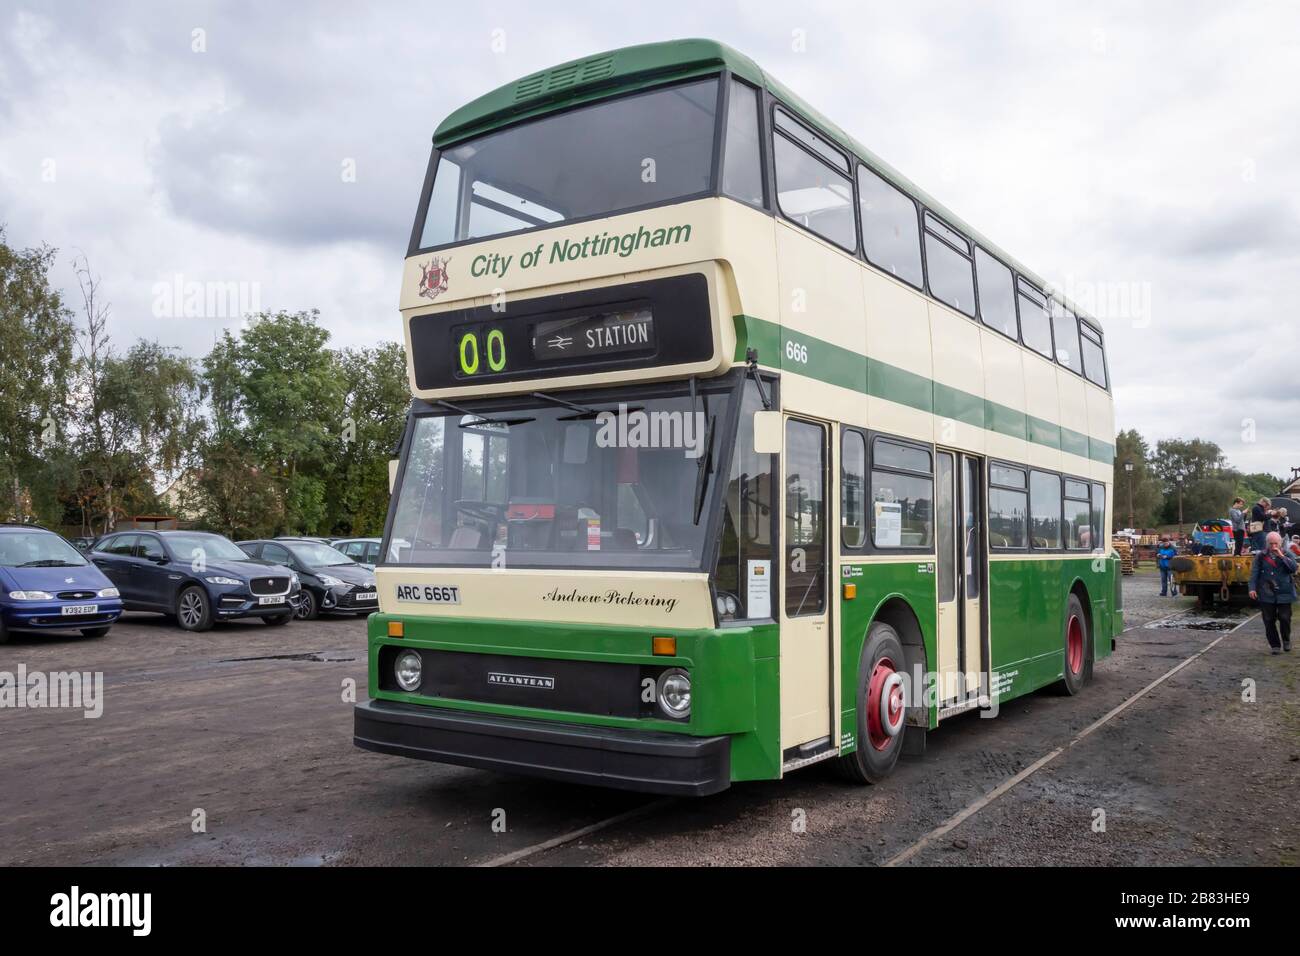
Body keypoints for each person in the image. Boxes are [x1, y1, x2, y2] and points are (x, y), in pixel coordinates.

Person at [1249, 531, 1296, 654]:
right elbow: (1255, 573)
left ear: (1280, 543)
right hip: (1266, 592)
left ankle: (1286, 640)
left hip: (1285, 592)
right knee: (1269, 620)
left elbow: (1293, 568)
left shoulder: (1287, 554)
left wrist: (1281, 556)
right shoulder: (1260, 556)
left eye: (1276, 543)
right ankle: (1275, 645)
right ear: (1267, 544)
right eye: (1271, 544)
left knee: (1285, 618)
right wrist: (1252, 588)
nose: (1273, 546)